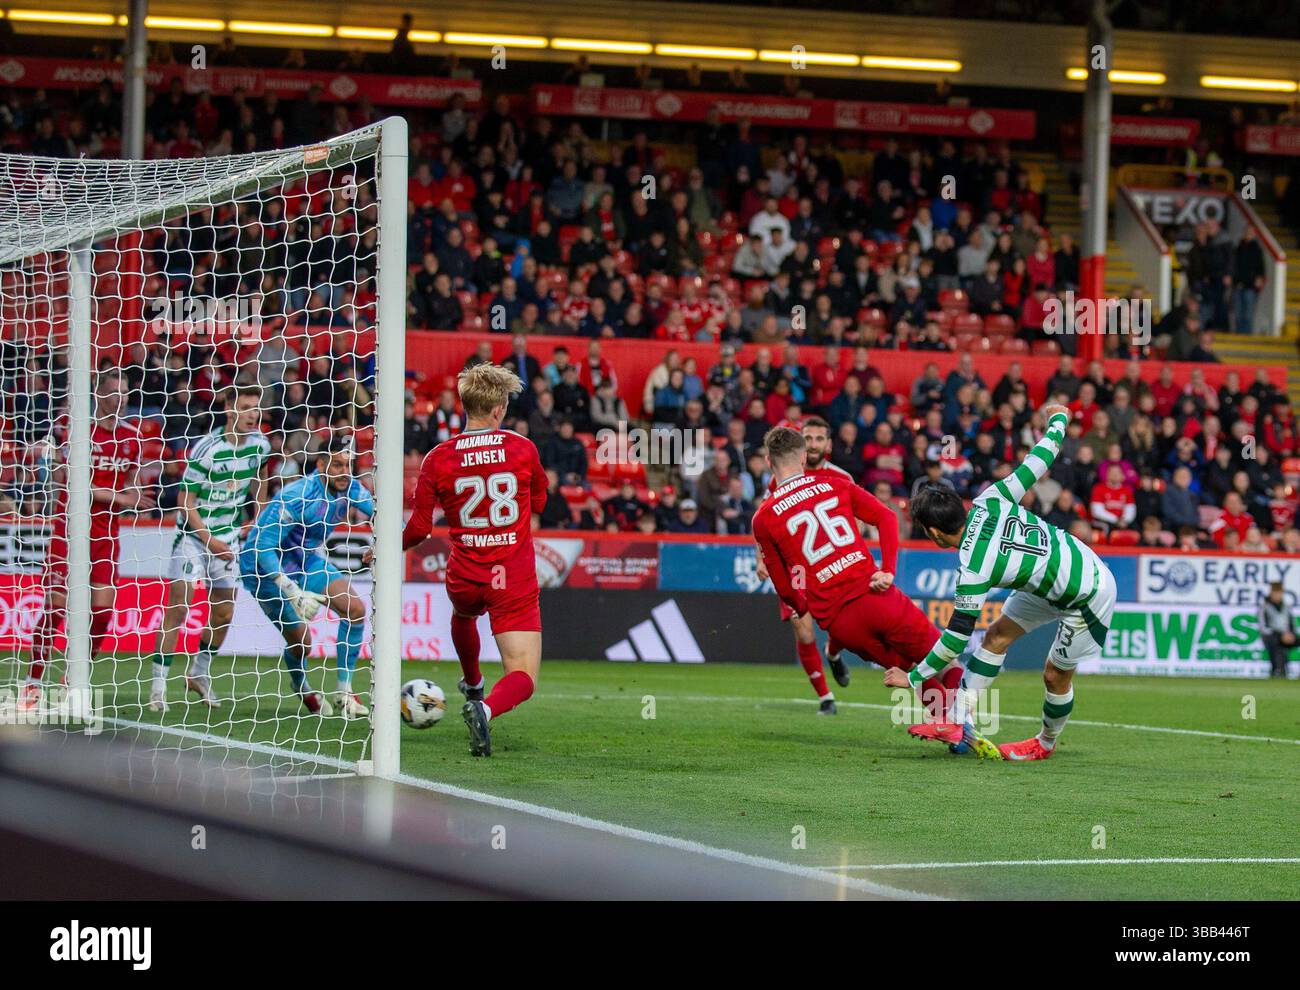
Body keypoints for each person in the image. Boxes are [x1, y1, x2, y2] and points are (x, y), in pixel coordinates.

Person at [898, 404, 1118, 762]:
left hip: (1088, 593)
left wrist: (913, 677)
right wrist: (1058, 420)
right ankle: (956, 721)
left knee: (1054, 676)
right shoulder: (990, 499)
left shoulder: (973, 568)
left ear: (934, 533)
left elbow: (955, 639)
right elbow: (1038, 461)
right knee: (996, 636)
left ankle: (1045, 743)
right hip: (1056, 577)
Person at [752, 426, 961, 724]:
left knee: (907, 671)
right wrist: (888, 570)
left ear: (768, 462)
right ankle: (961, 728)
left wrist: (803, 604)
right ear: (803, 457)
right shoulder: (835, 484)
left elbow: (784, 586)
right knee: (943, 661)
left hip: (840, 623)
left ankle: (950, 727)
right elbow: (886, 516)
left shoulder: (762, 517)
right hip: (876, 595)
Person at [397, 363, 547, 757]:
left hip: (464, 572)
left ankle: (473, 681)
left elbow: (418, 530)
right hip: (511, 576)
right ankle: (484, 707)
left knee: (464, 615)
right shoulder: (522, 448)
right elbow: (540, 502)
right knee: (523, 674)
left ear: (465, 405)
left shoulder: (437, 458)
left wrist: (382, 550)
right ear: (499, 409)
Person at [21, 371, 155, 713]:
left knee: (103, 611)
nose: (120, 398)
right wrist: (123, 499)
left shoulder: (132, 437)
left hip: (106, 535)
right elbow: (74, 483)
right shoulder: (79, 430)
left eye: (125, 392)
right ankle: (33, 681)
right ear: (99, 395)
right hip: (69, 530)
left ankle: (73, 678)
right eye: (114, 392)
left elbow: (131, 481)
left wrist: (137, 496)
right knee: (55, 607)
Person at [149, 385, 270, 711]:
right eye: (246, 408)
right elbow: (184, 501)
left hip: (228, 538)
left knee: (224, 611)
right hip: (194, 536)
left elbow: (260, 480)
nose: (253, 415)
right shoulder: (208, 448)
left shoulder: (261, 445)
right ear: (229, 410)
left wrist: (257, 516)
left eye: (256, 408)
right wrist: (209, 540)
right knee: (180, 607)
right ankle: (158, 687)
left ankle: (199, 673)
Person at [241, 436, 374, 718]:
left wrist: (391, 540)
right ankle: (302, 687)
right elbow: (263, 547)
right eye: (337, 465)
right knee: (302, 642)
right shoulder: (298, 494)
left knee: (355, 609)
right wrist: (290, 589)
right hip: (263, 569)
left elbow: (387, 517)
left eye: (348, 466)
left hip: (304, 561)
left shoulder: (351, 488)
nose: (344, 472)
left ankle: (344, 692)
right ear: (321, 465)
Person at [754, 418, 853, 713]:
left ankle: (833, 653)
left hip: (831, 563)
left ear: (828, 444)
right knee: (804, 630)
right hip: (794, 567)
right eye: (807, 438)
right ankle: (826, 697)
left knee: (843, 626)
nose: (813, 444)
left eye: (819, 439)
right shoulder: (780, 478)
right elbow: (764, 519)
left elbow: (856, 520)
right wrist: (761, 558)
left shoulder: (841, 478)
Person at [1257, 581, 1296, 678]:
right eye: (1276, 592)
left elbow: (1292, 624)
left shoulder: (1286, 607)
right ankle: (1278, 671)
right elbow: (1264, 628)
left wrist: (1291, 634)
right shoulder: (1264, 607)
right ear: (1271, 593)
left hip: (1286, 636)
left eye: (1280, 592)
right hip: (1271, 637)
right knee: (1277, 647)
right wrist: (1281, 635)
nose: (1278, 595)